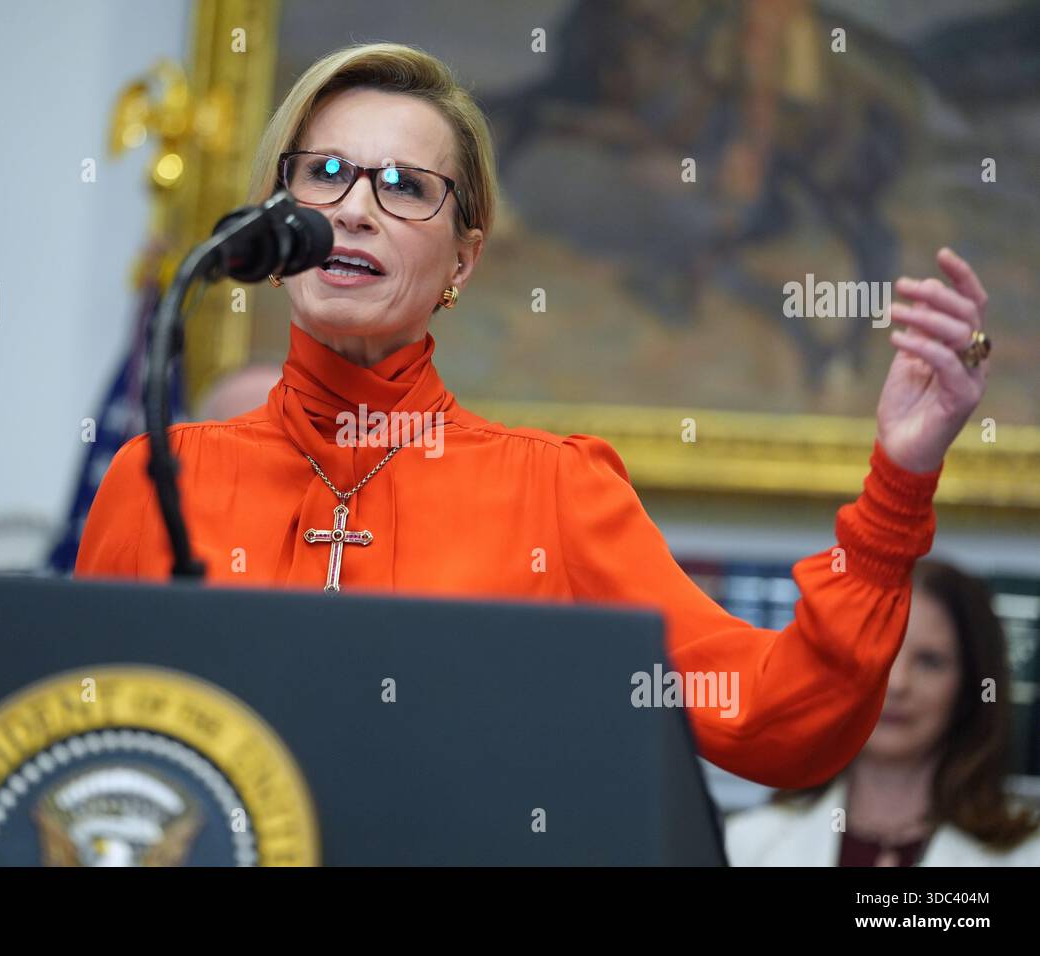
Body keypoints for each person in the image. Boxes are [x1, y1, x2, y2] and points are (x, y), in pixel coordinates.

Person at [75, 43, 994, 789]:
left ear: (463, 263)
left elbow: (772, 719)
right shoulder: (155, 479)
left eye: (403, 186)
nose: (354, 209)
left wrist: (897, 484)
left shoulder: (552, 490)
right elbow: (73, 750)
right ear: (282, 216)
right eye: (324, 173)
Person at [725, 559, 1040, 865]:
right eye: (881, 653)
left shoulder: (1026, 855)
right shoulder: (748, 844)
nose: (899, 684)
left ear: (971, 685)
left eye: (930, 661)